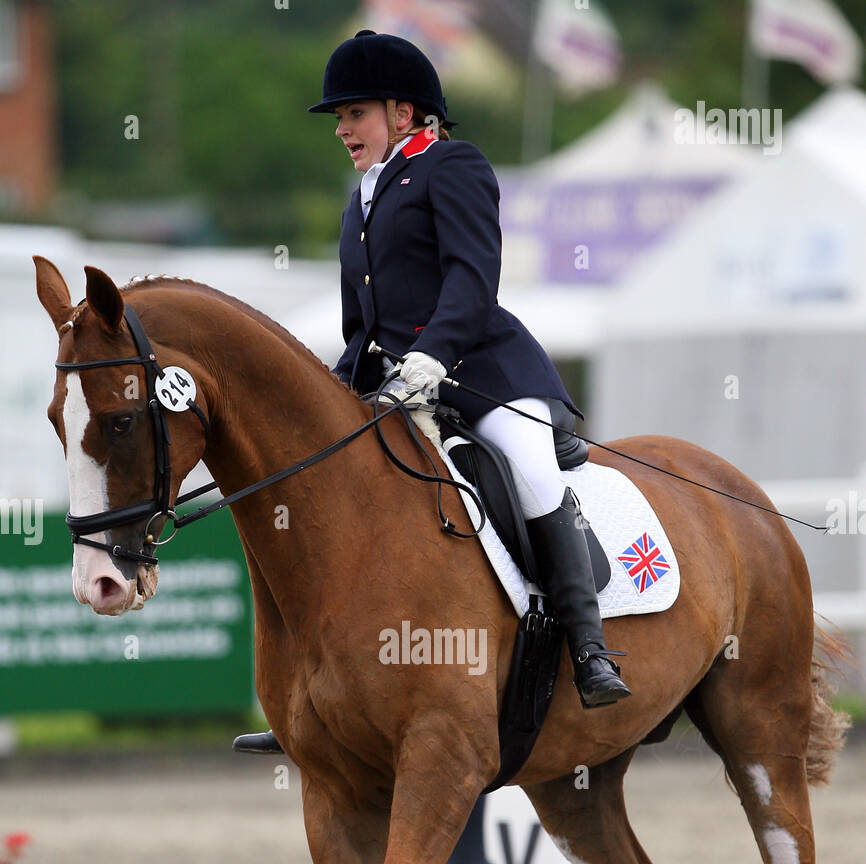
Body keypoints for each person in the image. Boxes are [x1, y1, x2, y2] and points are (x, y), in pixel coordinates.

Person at [234, 28, 629, 757]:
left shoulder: (454, 167)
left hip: (485, 374)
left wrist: (430, 357)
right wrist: (337, 392)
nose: (343, 130)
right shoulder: (362, 200)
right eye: (340, 119)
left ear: (405, 112)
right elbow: (363, 324)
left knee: (533, 470)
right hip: (396, 387)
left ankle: (590, 648)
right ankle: (311, 694)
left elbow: (473, 282)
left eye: (354, 114)